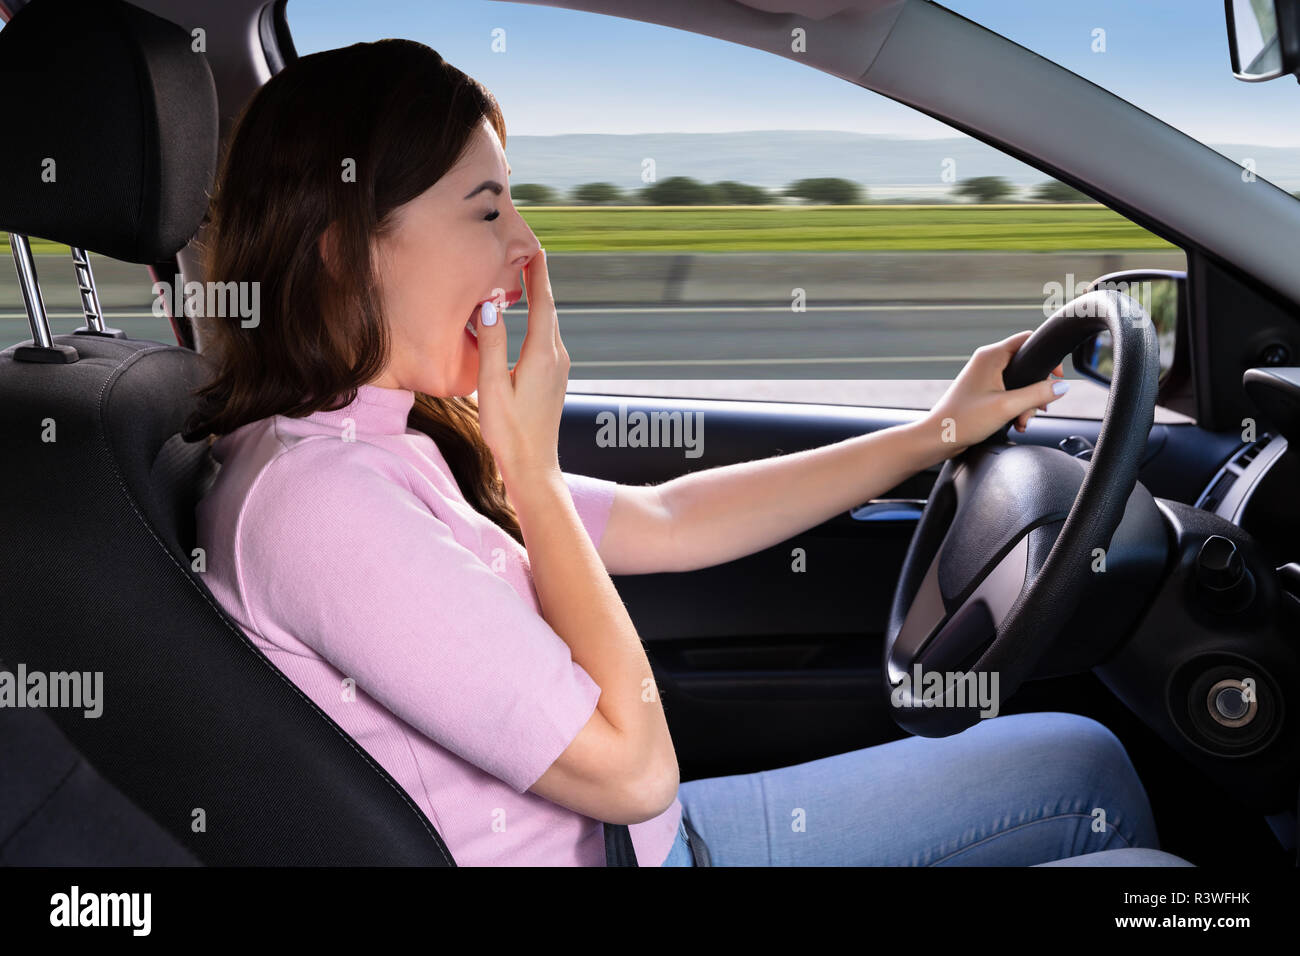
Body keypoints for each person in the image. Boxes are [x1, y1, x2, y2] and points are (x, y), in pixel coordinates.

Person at [188, 39, 1189, 867]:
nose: (527, 244)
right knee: (1146, 881)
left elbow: (670, 518)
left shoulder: (385, 441)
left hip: (657, 842)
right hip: (640, 840)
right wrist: (530, 473)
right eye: (486, 207)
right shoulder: (319, 504)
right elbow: (630, 770)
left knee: (1082, 760)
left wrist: (933, 433)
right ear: (341, 244)